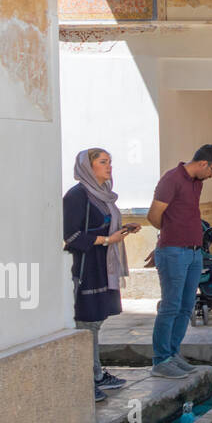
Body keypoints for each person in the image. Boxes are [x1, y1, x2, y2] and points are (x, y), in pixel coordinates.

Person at [146, 145, 212, 379]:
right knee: (170, 306)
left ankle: (173, 354)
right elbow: (153, 215)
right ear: (203, 163)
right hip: (174, 252)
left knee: (186, 305)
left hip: (193, 253)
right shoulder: (171, 180)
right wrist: (171, 236)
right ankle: (161, 360)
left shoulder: (197, 182)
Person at [63, 148, 135, 402]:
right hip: (87, 267)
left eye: (110, 162)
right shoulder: (77, 196)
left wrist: (122, 230)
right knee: (87, 324)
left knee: (97, 321)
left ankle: (95, 374)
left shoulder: (103, 195)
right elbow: (70, 236)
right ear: (87, 167)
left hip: (103, 266)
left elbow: (103, 225)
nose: (109, 167)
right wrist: (106, 239)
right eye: (103, 162)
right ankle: (88, 379)